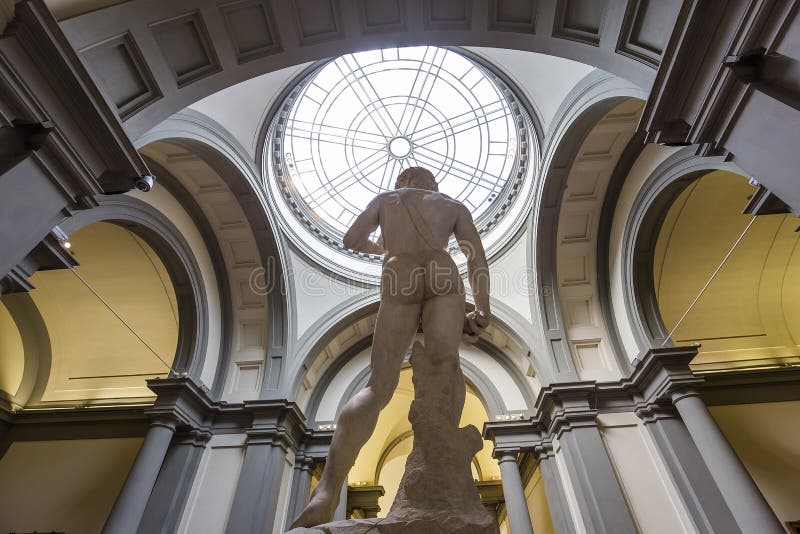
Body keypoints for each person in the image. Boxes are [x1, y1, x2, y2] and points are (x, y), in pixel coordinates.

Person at [290, 166, 490, 527]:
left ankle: (326, 493)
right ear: (431, 184)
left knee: (378, 386)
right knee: (446, 365)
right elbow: (475, 255)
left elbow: (352, 239)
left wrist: (380, 246)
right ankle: (443, 448)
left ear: (404, 182)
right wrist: (483, 306)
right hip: (443, 271)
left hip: (398, 272)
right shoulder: (452, 205)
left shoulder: (387, 200)